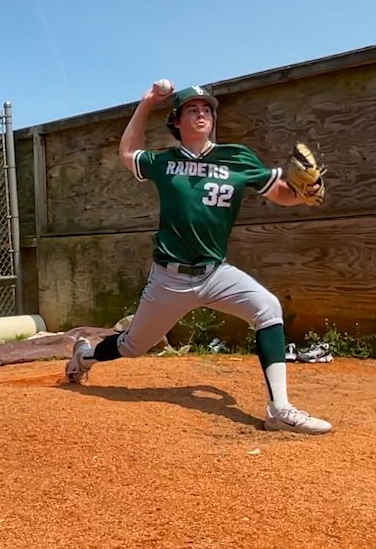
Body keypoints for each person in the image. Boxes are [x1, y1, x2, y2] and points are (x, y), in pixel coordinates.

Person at [64, 81, 331, 435]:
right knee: (132, 346)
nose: (202, 113)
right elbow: (128, 153)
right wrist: (146, 102)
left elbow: (281, 192)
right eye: (192, 109)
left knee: (268, 308)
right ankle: (85, 356)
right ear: (176, 121)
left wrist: (304, 194)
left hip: (215, 273)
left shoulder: (237, 158)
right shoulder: (165, 161)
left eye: (207, 109)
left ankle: (279, 409)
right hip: (169, 279)